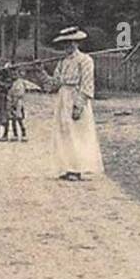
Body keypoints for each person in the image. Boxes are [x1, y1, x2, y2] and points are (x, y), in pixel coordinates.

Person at [45, 27, 103, 180]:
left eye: (71, 43)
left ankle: (77, 169)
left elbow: (87, 84)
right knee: (64, 133)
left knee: (77, 134)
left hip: (76, 97)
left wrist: (79, 105)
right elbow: (55, 83)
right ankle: (67, 167)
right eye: (65, 44)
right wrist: (41, 74)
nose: (68, 47)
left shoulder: (85, 60)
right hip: (63, 98)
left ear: (77, 43)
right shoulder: (62, 62)